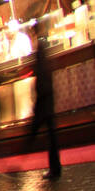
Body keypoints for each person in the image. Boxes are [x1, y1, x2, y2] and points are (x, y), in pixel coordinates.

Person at [28, 28, 61, 181]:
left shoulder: (39, 50)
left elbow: (41, 77)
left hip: (44, 100)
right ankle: (55, 167)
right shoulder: (43, 49)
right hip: (47, 99)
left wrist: (38, 97)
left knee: (40, 134)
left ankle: (54, 168)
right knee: (51, 135)